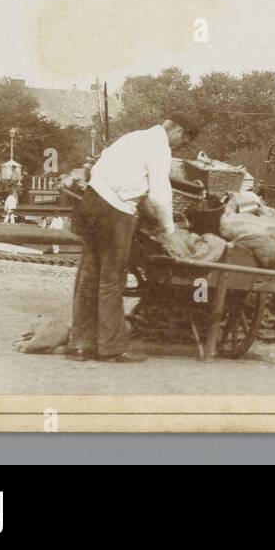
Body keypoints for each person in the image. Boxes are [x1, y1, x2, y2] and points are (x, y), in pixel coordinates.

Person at [67, 112, 200, 363]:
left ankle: (80, 344)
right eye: (184, 142)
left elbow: (97, 169)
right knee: (112, 279)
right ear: (180, 132)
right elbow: (160, 194)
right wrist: (169, 230)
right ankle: (111, 348)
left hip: (90, 202)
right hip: (116, 212)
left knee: (89, 275)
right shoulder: (159, 148)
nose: (181, 146)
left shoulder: (133, 138)